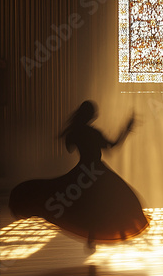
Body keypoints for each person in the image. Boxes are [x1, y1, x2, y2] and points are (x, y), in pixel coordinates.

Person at [9, 100, 148, 251]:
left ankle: (93, 236)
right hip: (96, 171)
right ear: (90, 115)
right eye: (93, 114)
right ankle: (100, 235)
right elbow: (112, 146)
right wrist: (126, 129)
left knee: (84, 203)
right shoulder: (92, 132)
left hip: (84, 171)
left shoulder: (76, 132)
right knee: (114, 201)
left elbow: (69, 147)